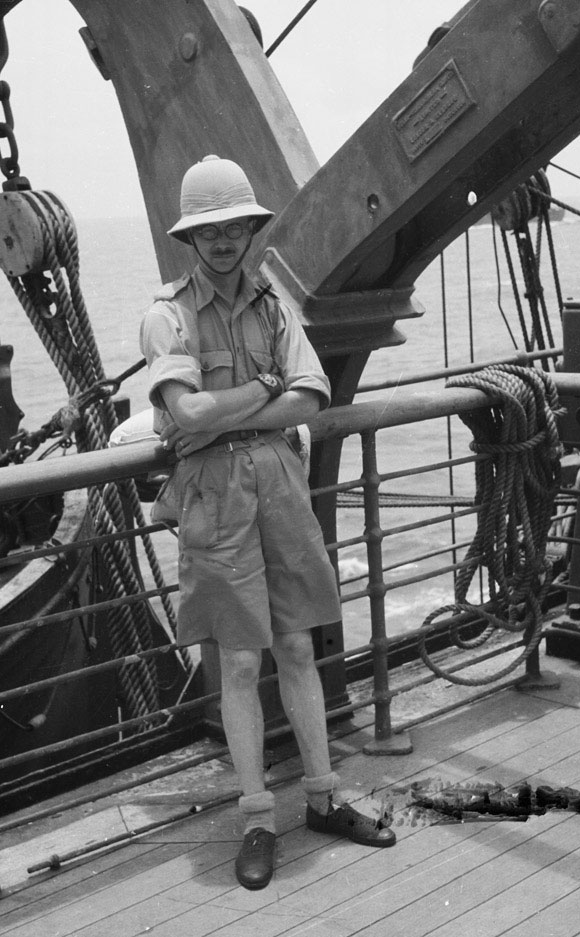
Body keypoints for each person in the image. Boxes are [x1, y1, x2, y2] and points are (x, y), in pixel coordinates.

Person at [140, 156, 395, 891]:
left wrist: (216, 417)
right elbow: (181, 412)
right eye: (210, 231)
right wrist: (260, 389)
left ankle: (321, 798)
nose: (224, 242)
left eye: (236, 228)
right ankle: (257, 817)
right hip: (216, 501)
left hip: (279, 489)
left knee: (296, 647)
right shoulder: (168, 314)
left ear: (251, 230)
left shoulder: (274, 305)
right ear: (192, 239)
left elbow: (309, 398)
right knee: (242, 661)